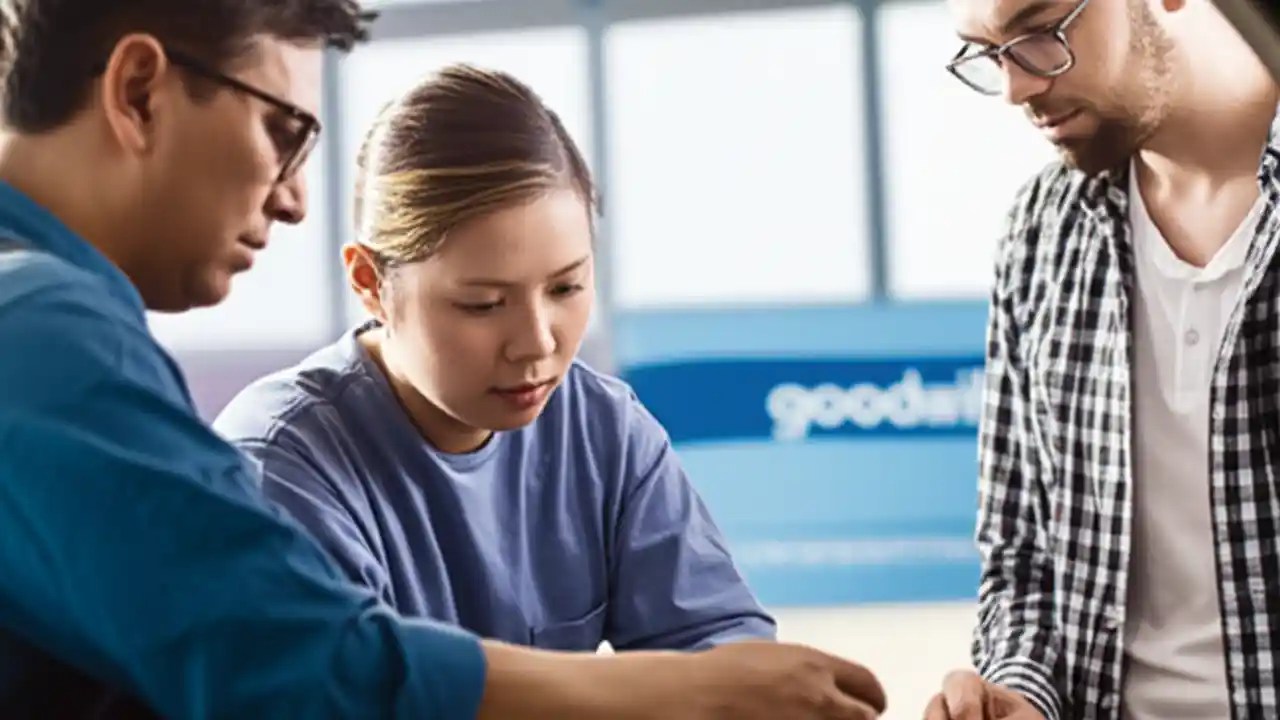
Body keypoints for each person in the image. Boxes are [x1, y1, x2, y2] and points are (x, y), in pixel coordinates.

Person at [0, 1, 893, 719]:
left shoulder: (601, 427)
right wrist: (682, 692)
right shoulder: (45, 335)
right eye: (282, 129)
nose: (295, 198)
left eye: (567, 286)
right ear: (140, 91)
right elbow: (304, 670)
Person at [212, 63, 776, 654]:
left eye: (566, 288)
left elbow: (725, 649)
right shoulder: (277, 466)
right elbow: (339, 689)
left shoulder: (603, 430)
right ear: (370, 283)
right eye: (482, 304)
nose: (536, 343)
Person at [925, 0, 1280, 718]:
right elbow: (1023, 561)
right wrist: (1020, 693)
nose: (1015, 89)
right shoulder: (1039, 231)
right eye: (989, 52)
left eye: (1040, 33)